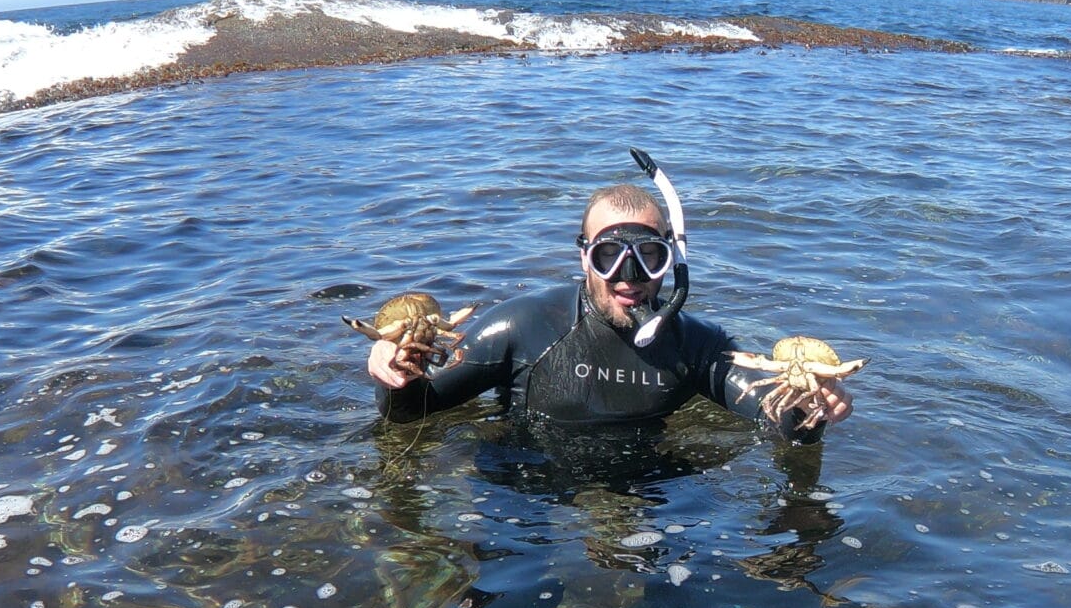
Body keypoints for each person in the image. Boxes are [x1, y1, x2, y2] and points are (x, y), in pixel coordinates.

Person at [366, 174, 856, 437]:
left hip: (655, 497)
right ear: (583, 257)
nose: (630, 277)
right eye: (608, 256)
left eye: (649, 256)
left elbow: (778, 420)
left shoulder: (698, 347)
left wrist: (812, 410)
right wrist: (393, 373)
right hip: (530, 496)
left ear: (673, 259)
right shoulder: (521, 326)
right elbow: (411, 414)